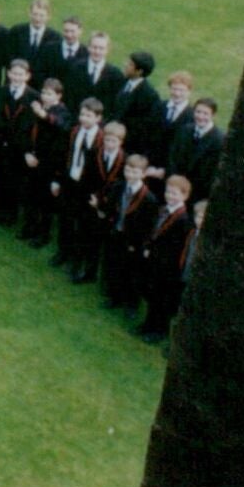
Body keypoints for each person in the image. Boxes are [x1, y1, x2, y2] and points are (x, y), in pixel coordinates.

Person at [51, 96, 106, 271]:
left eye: (89, 116)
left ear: (98, 118)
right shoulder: (74, 131)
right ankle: (63, 252)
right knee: (65, 218)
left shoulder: (102, 139)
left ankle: (77, 258)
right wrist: (58, 179)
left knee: (83, 224)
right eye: (82, 114)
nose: (84, 119)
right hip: (70, 180)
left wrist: (98, 194)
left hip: (87, 186)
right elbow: (63, 155)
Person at [100, 151, 156, 309]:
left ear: (144, 174)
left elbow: (148, 225)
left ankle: (131, 301)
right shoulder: (119, 186)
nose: (130, 174)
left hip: (133, 241)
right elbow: (110, 207)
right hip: (116, 233)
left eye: (135, 171)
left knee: (130, 271)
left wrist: (138, 243)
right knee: (113, 265)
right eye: (127, 170)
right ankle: (114, 296)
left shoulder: (148, 198)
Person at [140, 176, 194, 338]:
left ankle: (159, 331)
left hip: (168, 267)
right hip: (156, 262)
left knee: (162, 300)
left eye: (175, 194)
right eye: (168, 192)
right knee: (152, 295)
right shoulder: (163, 210)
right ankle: (148, 325)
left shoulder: (184, 220)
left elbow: (178, 248)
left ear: (185, 196)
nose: (170, 196)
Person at [18, 76, 70, 247]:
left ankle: (43, 234)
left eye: (50, 93)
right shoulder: (35, 109)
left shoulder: (62, 112)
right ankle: (29, 227)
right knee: (29, 196)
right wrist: (27, 153)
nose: (45, 96)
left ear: (59, 96)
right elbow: (25, 131)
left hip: (49, 164)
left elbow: (61, 126)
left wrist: (44, 115)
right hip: (32, 159)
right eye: (44, 92)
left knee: (45, 202)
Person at [77, 119, 127, 283]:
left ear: (120, 142)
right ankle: (87, 271)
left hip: (110, 207)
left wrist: (104, 205)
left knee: (104, 243)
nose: (109, 144)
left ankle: (105, 278)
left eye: (113, 141)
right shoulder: (94, 153)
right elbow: (87, 177)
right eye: (107, 140)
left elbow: (121, 188)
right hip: (92, 201)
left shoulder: (124, 161)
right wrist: (93, 198)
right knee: (88, 237)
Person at [0, 56, 36, 227]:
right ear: (8, 74)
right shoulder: (0, 92)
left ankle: (10, 215)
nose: (16, 78)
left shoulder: (33, 97)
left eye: (20, 75)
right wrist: (2, 138)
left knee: (15, 181)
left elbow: (29, 125)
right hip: (0, 144)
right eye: (14, 74)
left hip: (19, 147)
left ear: (27, 76)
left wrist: (18, 143)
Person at [168, 96, 226, 202]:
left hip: (197, 193)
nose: (200, 116)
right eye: (198, 112)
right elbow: (173, 155)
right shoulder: (185, 130)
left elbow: (211, 172)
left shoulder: (218, 140)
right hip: (176, 187)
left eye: (205, 114)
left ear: (213, 115)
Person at [110, 50, 164, 158]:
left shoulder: (149, 95)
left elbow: (145, 128)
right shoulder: (122, 82)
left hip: (130, 148)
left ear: (139, 71)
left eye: (130, 64)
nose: (125, 65)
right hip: (112, 141)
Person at [6, 0, 62, 86]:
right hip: (17, 81)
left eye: (41, 15)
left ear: (48, 16)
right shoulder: (16, 32)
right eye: (35, 14)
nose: (37, 19)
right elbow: (9, 58)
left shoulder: (55, 38)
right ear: (29, 13)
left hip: (41, 86)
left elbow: (53, 67)